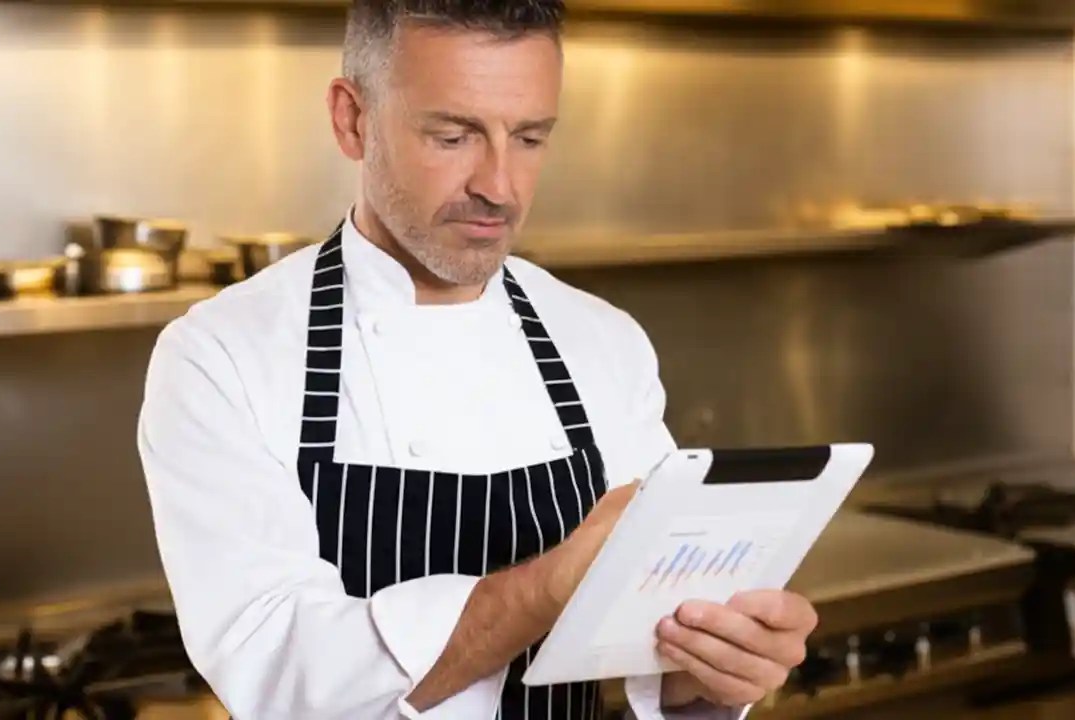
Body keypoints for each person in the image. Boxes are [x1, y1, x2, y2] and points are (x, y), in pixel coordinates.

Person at [137, 0, 818, 717]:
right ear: (352, 120)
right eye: (454, 135)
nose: (499, 186)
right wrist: (544, 589)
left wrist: (711, 665)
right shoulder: (223, 358)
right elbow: (285, 674)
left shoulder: (601, 340)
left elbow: (644, 637)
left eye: (529, 137)